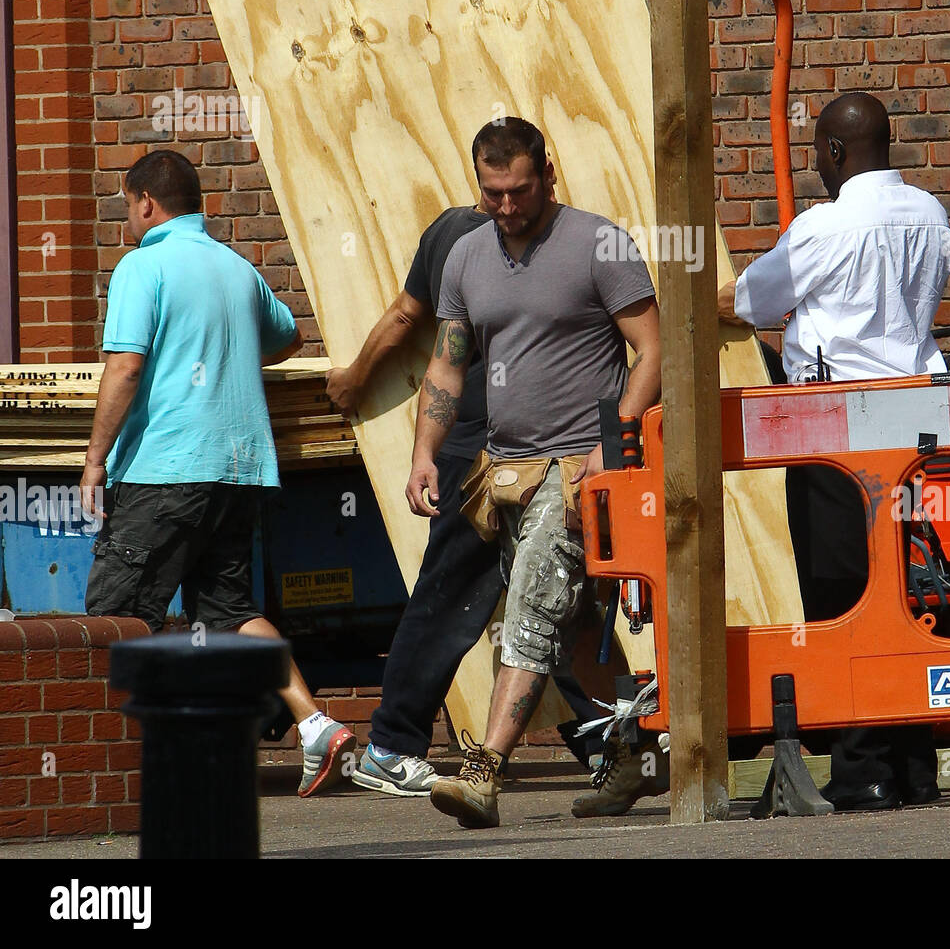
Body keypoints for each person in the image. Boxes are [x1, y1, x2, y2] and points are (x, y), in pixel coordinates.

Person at [407, 117, 661, 829]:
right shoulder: (463, 258)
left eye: (520, 190)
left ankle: (484, 772)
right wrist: (426, 450)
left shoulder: (597, 243)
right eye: (494, 194)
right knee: (576, 632)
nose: (508, 207)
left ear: (546, 174)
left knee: (530, 608)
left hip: (578, 468)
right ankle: (629, 755)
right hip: (506, 473)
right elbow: (447, 365)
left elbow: (653, 347)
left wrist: (615, 441)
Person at [81, 150, 355, 798]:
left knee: (114, 612)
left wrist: (94, 459)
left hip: (166, 469)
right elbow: (287, 337)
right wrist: (220, 346)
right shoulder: (237, 270)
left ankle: (136, 766)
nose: (128, 216)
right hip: (239, 469)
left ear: (146, 202)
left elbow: (123, 368)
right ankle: (315, 723)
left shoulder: (142, 266)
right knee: (230, 610)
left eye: (128, 204)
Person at [719, 91, 950, 811]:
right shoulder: (931, 216)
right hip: (914, 426)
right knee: (906, 592)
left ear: (831, 152)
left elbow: (754, 300)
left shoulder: (824, 226)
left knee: (842, 594)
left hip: (835, 429)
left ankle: (863, 765)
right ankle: (914, 760)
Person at [327, 202, 605, 796]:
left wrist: (357, 375)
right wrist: (356, 379)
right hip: (479, 456)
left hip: (524, 454)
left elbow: (407, 317)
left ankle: (611, 744)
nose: (510, 204)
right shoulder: (465, 239)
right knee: (461, 597)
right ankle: (391, 743)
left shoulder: (521, 239)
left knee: (551, 599)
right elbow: (418, 328)